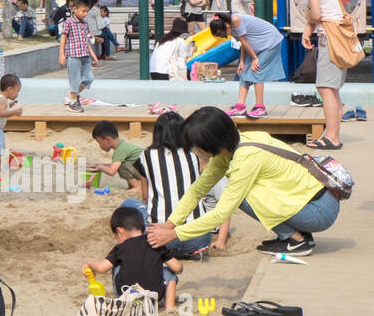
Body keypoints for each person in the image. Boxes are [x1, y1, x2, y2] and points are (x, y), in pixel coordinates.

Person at [147, 107, 341, 258]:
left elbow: (221, 213)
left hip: (319, 210)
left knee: (240, 195)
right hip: (315, 202)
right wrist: (171, 224)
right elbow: (197, 190)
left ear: (210, 143)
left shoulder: (245, 159)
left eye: (196, 146)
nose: (195, 151)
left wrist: (176, 234)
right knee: (238, 191)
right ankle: (297, 235)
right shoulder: (234, 146)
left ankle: (296, 241)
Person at [119, 111, 226, 258]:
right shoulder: (196, 154)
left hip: (161, 239)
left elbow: (145, 197)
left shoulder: (145, 156)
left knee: (129, 204)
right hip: (199, 238)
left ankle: (142, 246)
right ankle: (191, 251)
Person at [284, 0, 346, 149]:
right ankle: (333, 135)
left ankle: (331, 137)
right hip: (333, 35)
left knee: (325, 87)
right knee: (331, 88)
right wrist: (307, 30)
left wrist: (309, 26)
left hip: (329, 36)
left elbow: (317, 14)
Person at [84, 206, 182, 308]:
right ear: (143, 227)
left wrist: (89, 263)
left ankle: (121, 301)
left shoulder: (120, 248)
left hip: (127, 296)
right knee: (169, 273)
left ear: (119, 231)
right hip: (154, 297)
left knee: (117, 266)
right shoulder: (155, 242)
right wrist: (179, 267)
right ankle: (169, 307)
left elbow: (101, 268)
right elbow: (177, 267)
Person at [211, 14, 284, 119]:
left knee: (256, 70)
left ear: (227, 26)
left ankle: (260, 107)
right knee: (243, 70)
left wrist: (254, 58)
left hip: (270, 41)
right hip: (256, 45)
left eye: (221, 33)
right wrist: (241, 61)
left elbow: (244, 41)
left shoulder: (235, 20)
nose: (223, 36)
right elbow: (242, 43)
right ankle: (240, 107)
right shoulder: (231, 29)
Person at [59, 0, 98, 112]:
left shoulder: (85, 24)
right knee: (75, 80)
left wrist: (93, 55)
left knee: (89, 78)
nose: (85, 14)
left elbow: (86, 40)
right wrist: (62, 54)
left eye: (87, 11)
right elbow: (63, 39)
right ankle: (73, 102)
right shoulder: (68, 22)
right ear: (75, 9)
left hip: (85, 56)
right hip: (73, 56)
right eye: (83, 11)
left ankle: (73, 95)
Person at [90, 120, 146, 195]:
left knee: (122, 166)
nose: (100, 146)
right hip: (146, 171)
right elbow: (113, 165)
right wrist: (99, 165)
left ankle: (137, 187)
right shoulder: (123, 145)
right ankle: (132, 186)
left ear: (107, 140)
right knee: (123, 165)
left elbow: (112, 171)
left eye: (99, 142)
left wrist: (100, 167)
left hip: (146, 173)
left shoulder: (120, 149)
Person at [150, 17, 192, 81]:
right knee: (190, 74)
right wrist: (192, 50)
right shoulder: (181, 41)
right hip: (166, 73)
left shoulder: (162, 39)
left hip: (153, 71)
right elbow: (182, 61)